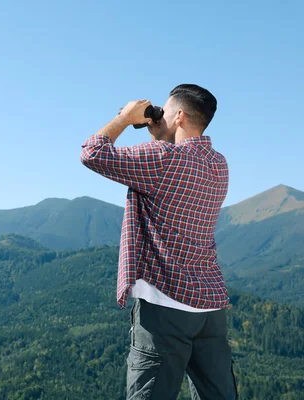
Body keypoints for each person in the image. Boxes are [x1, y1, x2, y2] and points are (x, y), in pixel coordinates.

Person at [80, 84, 238, 399]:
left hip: (165, 308)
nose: (159, 116)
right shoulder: (219, 165)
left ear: (178, 116)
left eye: (163, 111)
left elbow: (92, 152)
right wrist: (160, 135)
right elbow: (174, 171)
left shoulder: (161, 159)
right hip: (209, 308)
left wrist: (125, 118)